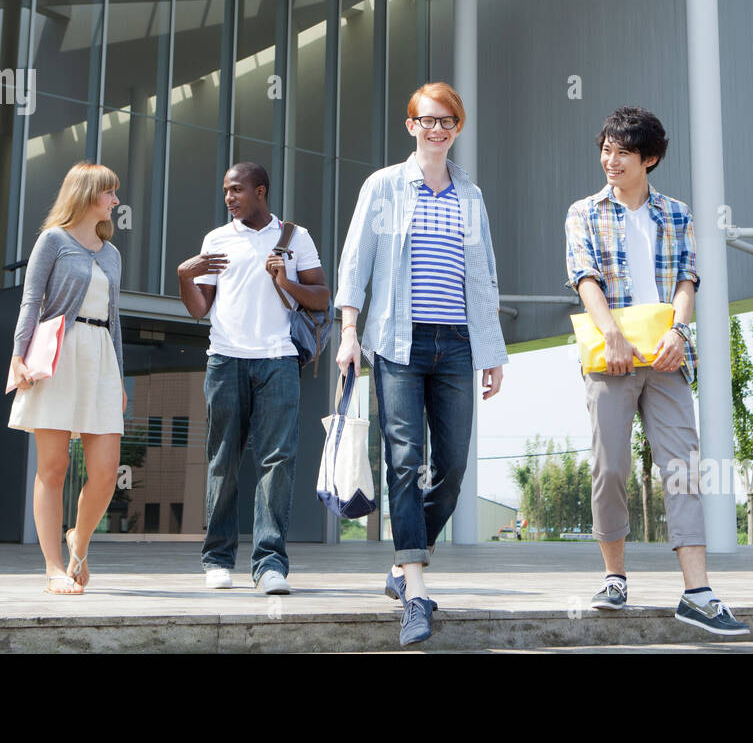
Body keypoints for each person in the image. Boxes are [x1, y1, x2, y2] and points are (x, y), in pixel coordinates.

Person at [564, 107, 750, 635]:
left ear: (649, 158)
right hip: (611, 355)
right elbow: (584, 277)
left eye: (623, 152)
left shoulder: (677, 214)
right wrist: (612, 334)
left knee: (683, 469)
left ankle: (697, 592)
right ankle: (614, 577)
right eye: (606, 149)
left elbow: (688, 279)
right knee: (611, 467)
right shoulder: (584, 212)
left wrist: (679, 332)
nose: (611, 160)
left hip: (667, 358)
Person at [335, 81, 508, 647]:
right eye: (428, 120)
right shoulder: (383, 186)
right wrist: (349, 333)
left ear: (458, 129)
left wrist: (492, 350)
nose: (438, 130)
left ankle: (402, 560)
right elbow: (355, 261)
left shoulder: (471, 196)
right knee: (405, 459)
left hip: (457, 344)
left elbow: (484, 278)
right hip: (397, 342)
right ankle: (415, 588)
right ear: (410, 125)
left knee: (453, 468)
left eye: (449, 122)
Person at [176, 162, 329, 596]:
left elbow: (322, 297)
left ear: (261, 191)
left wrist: (286, 280)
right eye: (226, 190)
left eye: (237, 190)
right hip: (225, 360)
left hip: (278, 361)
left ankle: (269, 565)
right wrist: (186, 277)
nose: (229, 198)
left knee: (277, 462)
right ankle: (218, 559)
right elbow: (199, 308)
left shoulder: (295, 238)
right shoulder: (216, 239)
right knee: (223, 461)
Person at [8, 162, 126, 595]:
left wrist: (120, 376)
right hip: (58, 351)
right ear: (87, 194)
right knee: (53, 468)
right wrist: (18, 356)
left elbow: (115, 319)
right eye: (109, 193)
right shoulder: (53, 240)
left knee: (107, 471)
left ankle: (79, 537)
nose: (115, 201)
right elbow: (30, 301)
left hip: (100, 358)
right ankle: (54, 566)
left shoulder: (111, 252)